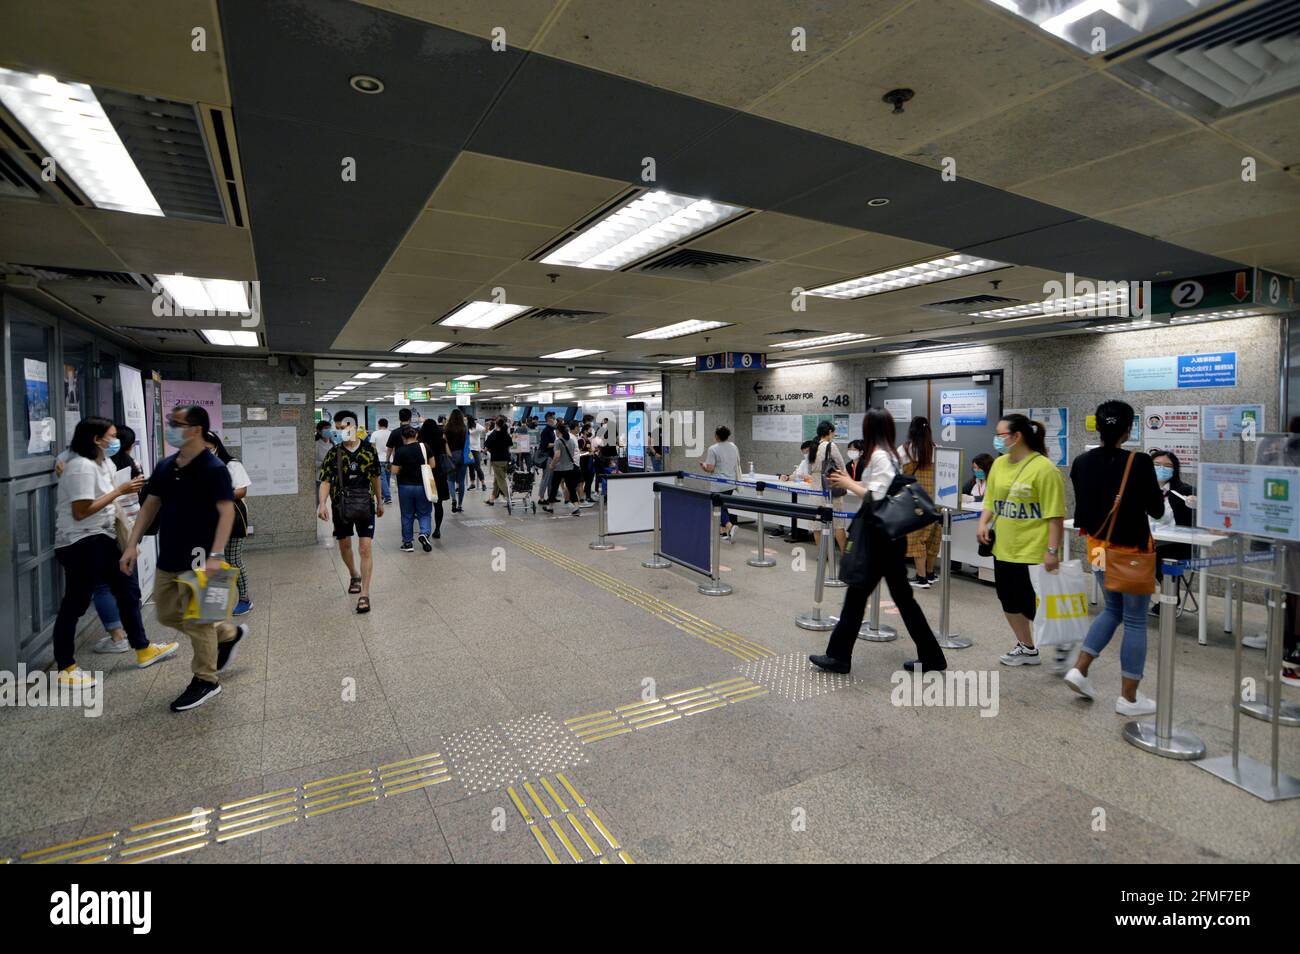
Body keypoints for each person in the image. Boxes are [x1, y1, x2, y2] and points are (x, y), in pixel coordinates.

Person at [121, 405, 247, 711]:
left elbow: (226, 510)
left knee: (199, 618)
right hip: (170, 553)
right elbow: (151, 505)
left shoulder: (213, 468)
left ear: (195, 430)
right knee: (165, 614)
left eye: (177, 424)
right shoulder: (167, 466)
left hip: (200, 556)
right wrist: (131, 544)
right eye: (170, 422)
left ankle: (206, 680)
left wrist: (216, 555)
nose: (171, 428)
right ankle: (227, 633)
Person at [810, 408, 947, 675]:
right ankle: (931, 656)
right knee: (876, 598)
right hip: (886, 537)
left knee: (861, 595)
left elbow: (877, 496)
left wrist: (848, 483)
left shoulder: (883, 455)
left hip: (880, 538)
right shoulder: (888, 454)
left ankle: (839, 657)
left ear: (870, 429)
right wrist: (851, 481)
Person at [52, 418, 178, 687]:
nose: (115, 440)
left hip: (105, 536)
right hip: (80, 542)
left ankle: (143, 648)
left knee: (128, 590)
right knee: (75, 602)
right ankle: (66, 667)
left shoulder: (105, 463)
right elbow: (81, 511)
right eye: (111, 436)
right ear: (97, 439)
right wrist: (120, 490)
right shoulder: (81, 467)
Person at [1064, 401, 1165, 715]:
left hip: (1098, 549)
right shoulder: (1139, 462)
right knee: (1135, 620)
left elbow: (1083, 514)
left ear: (1097, 426)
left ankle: (1079, 669)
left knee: (1112, 609)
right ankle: (1129, 699)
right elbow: (1157, 511)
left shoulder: (1081, 462)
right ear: (1128, 429)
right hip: (1131, 550)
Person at [977, 413, 1066, 669]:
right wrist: (983, 522)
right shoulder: (1000, 464)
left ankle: (1063, 641)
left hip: (1033, 550)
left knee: (1034, 605)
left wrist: (1052, 550)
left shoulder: (1045, 469)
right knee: (1008, 600)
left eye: (1001, 435)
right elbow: (991, 500)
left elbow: (1055, 515)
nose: (997, 439)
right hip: (1004, 547)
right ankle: (1027, 647)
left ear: (1017, 436)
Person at [316, 409, 384, 613]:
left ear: (353, 427)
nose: (338, 432)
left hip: (365, 505)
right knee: (345, 546)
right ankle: (354, 574)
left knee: (365, 548)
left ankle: (365, 594)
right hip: (340, 506)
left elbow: (376, 477)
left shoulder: (368, 451)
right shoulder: (334, 452)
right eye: (336, 429)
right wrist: (322, 503)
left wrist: (380, 501)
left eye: (342, 427)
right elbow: (326, 480)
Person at [204, 431, 254, 615]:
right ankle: (215, 599)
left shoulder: (231, 464)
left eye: (207, 448)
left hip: (232, 516)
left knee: (233, 560)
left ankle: (244, 599)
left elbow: (241, 491)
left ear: (216, 446)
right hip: (208, 518)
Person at [1147, 448, 1198, 614]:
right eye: (1157, 464)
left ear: (1174, 470)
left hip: (1175, 544)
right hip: (1148, 539)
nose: (1162, 468)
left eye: (1167, 465)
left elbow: (1195, 520)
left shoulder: (1184, 491)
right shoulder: (1141, 489)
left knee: (1157, 555)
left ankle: (1169, 597)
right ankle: (1135, 597)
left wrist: (1196, 505)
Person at [899, 416, 939, 588]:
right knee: (932, 538)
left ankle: (921, 578)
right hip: (936, 499)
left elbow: (897, 472)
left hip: (916, 500)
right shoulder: (937, 449)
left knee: (917, 539)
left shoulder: (905, 449)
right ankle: (930, 574)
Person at [390, 426, 434, 552]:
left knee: (407, 515)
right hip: (422, 486)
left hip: (405, 487)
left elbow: (394, 470)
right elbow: (433, 464)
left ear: (403, 437)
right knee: (424, 513)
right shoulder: (425, 447)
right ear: (416, 435)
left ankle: (408, 543)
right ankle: (424, 534)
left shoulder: (400, 451)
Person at [810, 421, 849, 552]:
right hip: (830, 489)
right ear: (830, 432)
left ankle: (822, 555)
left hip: (815, 490)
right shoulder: (830, 446)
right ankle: (845, 555)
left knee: (817, 524)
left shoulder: (813, 446)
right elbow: (842, 466)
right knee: (838, 523)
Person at [701, 425, 740, 542]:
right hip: (731, 482)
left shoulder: (713, 449)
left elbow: (710, 468)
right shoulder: (733, 446)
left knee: (717, 507)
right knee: (724, 506)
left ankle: (730, 526)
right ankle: (724, 532)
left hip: (718, 484)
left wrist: (703, 466)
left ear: (716, 435)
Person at [416, 418, 450, 536]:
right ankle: (437, 529)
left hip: (424, 475)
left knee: (423, 504)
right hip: (439, 475)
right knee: (438, 504)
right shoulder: (441, 441)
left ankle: (425, 530)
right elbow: (447, 455)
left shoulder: (420, 443)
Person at [544, 422, 583, 516]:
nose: (555, 433)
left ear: (558, 431)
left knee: (554, 487)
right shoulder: (572, 441)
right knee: (571, 488)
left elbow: (557, 455)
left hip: (559, 469)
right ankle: (576, 507)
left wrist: (552, 465)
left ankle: (550, 507)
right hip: (570, 468)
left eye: (556, 431)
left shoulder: (558, 441)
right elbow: (573, 453)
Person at [484, 417, 513, 505]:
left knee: (501, 480)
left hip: (496, 460)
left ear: (496, 424)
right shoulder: (506, 434)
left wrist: (485, 451)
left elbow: (486, 447)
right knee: (497, 480)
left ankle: (509, 498)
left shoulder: (493, 434)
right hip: (505, 460)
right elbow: (509, 445)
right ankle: (492, 499)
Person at [537, 412, 558, 505]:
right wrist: (557, 443)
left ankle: (551, 496)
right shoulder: (545, 431)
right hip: (547, 457)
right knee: (545, 478)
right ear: (549, 420)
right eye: (553, 418)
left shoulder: (551, 430)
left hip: (552, 457)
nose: (555, 420)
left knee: (551, 479)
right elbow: (545, 445)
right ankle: (541, 498)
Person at [371, 418, 392, 504]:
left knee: (382, 479)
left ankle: (387, 497)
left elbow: (373, 447)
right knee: (387, 479)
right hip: (389, 459)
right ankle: (383, 495)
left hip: (379, 459)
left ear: (379, 424)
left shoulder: (375, 433)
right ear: (387, 424)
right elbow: (393, 448)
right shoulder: (391, 433)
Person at [467, 415, 486, 491]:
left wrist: (487, 426)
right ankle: (472, 484)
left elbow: (484, 430)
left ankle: (483, 484)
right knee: (471, 467)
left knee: (477, 467)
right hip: (469, 450)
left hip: (476, 450)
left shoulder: (477, 426)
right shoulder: (467, 426)